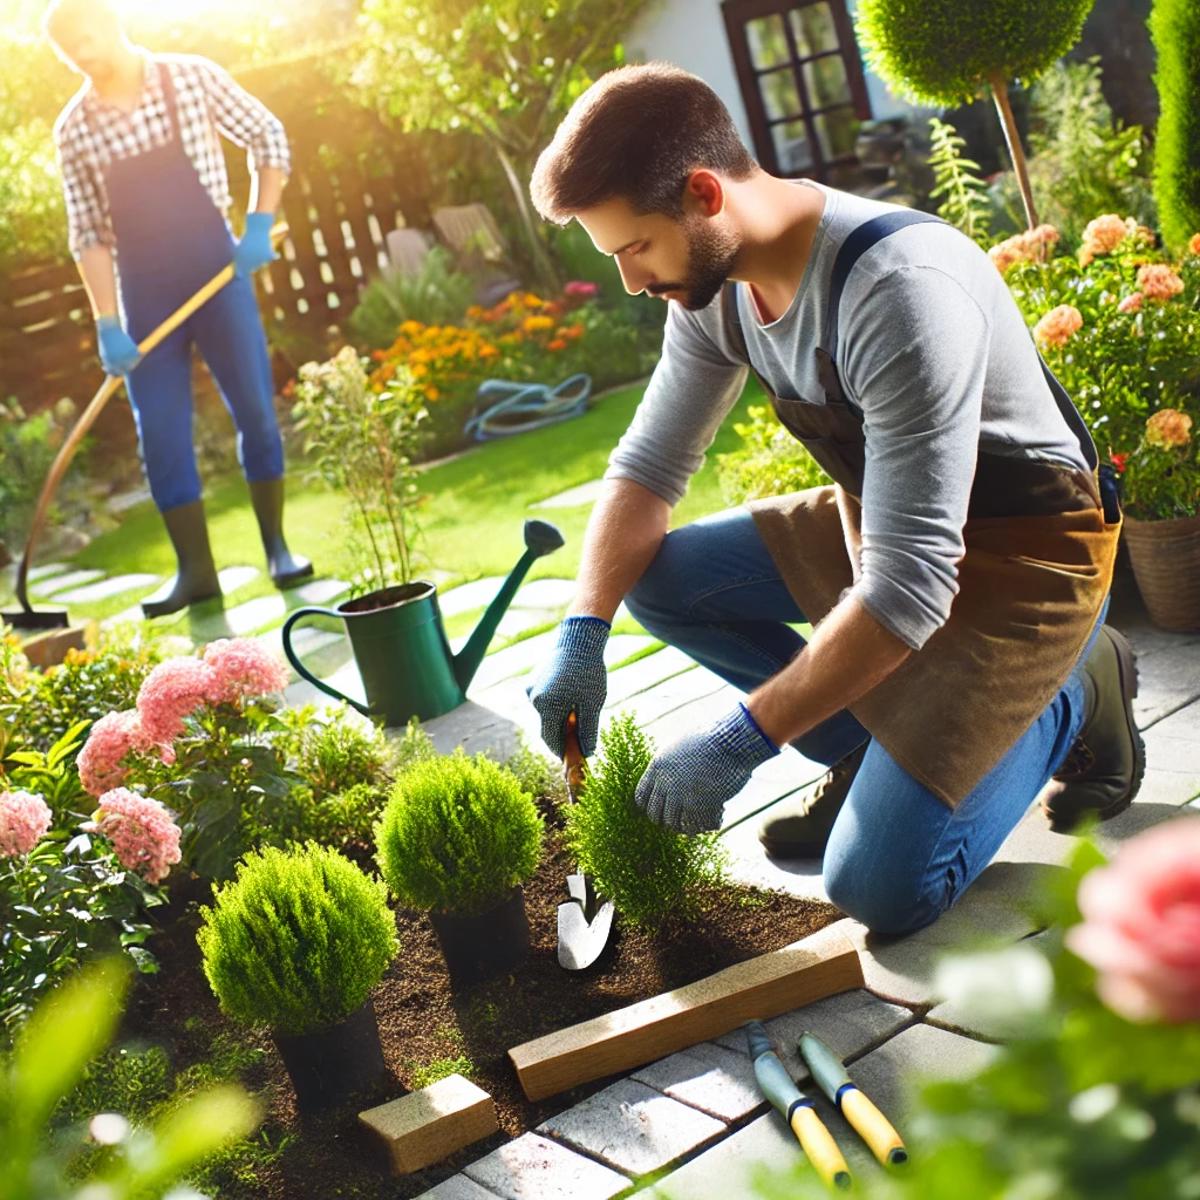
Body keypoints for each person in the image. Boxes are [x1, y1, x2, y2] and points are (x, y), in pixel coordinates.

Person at [524, 63, 1142, 936]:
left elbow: (906, 592)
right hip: (891, 522)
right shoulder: (714, 290)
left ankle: (1079, 680)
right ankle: (867, 747)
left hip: (1029, 560)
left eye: (634, 248)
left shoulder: (897, 291)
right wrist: (583, 625)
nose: (631, 280)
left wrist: (745, 738)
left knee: (879, 889)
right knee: (658, 580)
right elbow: (648, 466)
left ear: (704, 194)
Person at [46, 0, 312, 618]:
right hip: (143, 291)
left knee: (254, 409)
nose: (82, 56)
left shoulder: (190, 76)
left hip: (217, 271)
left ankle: (277, 549)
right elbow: (87, 233)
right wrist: (107, 323)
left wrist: (258, 225)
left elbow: (267, 135)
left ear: (112, 23)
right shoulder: (75, 127)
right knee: (160, 433)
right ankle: (196, 573)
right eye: (69, 52)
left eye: (86, 39)